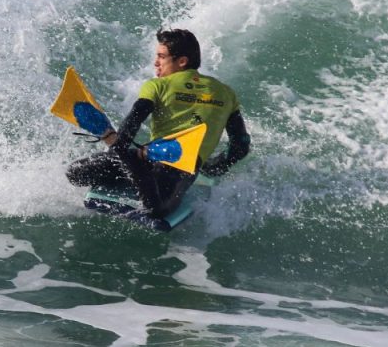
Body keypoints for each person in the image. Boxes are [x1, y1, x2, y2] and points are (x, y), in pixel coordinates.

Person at [66, 28, 251, 220]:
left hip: (151, 164)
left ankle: (133, 169)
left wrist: (115, 145)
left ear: (182, 61)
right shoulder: (226, 93)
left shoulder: (158, 85)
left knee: (75, 173)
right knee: (158, 210)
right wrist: (211, 168)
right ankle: (136, 170)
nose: (156, 63)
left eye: (161, 57)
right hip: (182, 171)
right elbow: (241, 147)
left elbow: (130, 127)